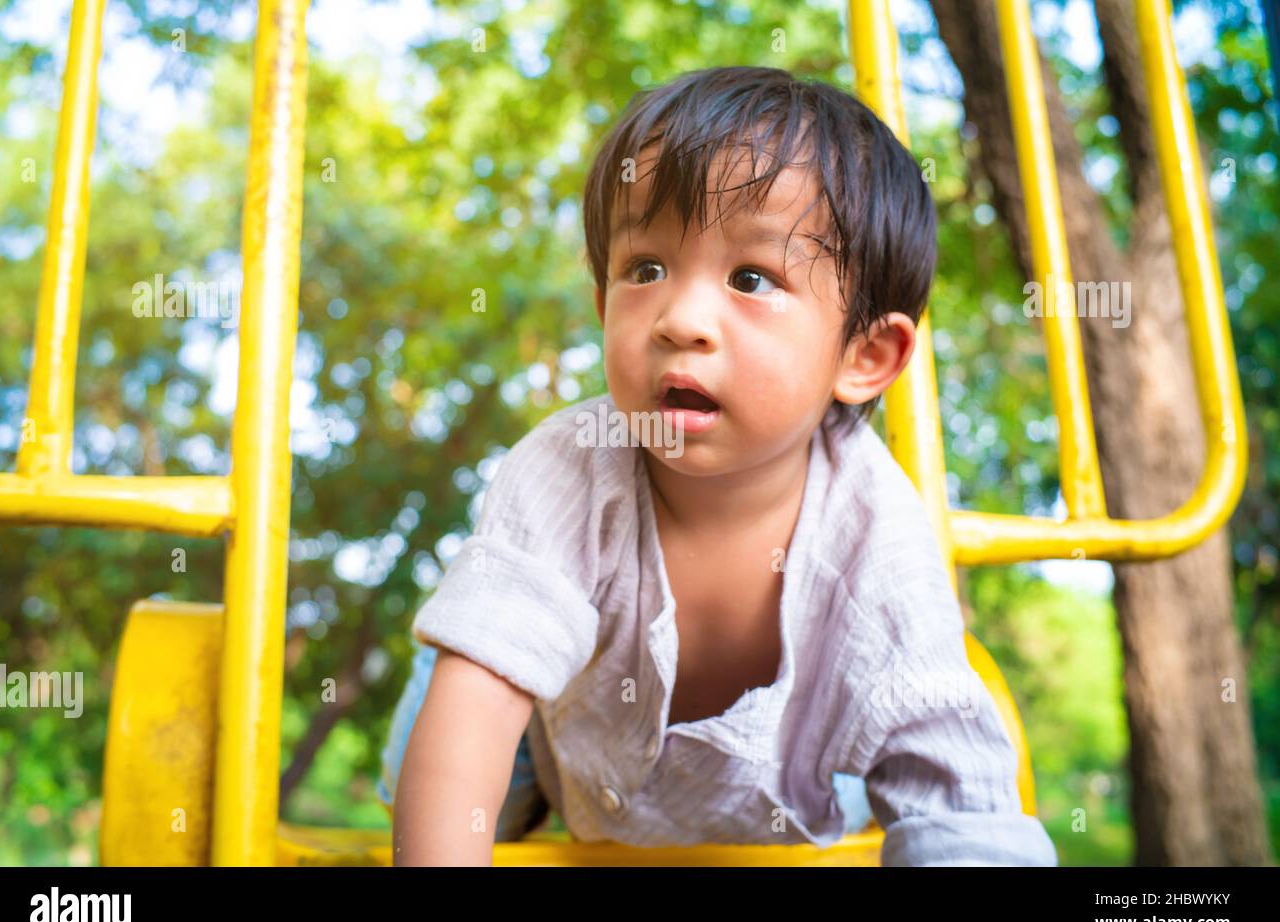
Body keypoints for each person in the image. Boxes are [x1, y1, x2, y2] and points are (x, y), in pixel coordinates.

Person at [379, 65, 1058, 866]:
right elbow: (478, 711)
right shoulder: (569, 467)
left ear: (866, 355)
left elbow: (959, 797)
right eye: (645, 269)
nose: (681, 318)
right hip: (559, 740)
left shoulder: (878, 536)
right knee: (460, 691)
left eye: (751, 279)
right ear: (603, 305)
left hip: (783, 785)